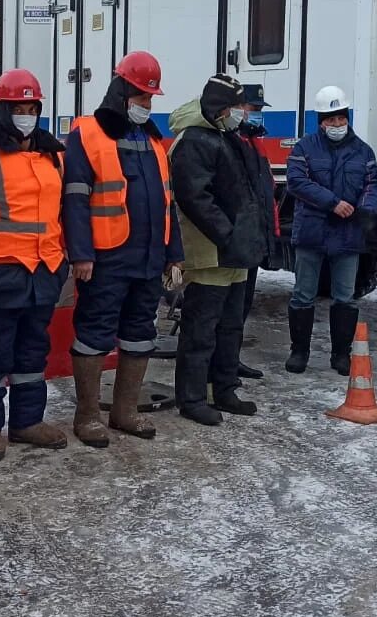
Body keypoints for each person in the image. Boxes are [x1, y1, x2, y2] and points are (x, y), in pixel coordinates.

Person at [63, 51, 183, 447]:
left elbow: (167, 202)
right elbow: (74, 200)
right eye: (141, 96)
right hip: (106, 258)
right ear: (121, 92)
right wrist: (81, 254)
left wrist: (174, 253)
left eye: (150, 98)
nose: (146, 104)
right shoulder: (87, 134)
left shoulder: (153, 141)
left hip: (149, 257)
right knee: (94, 334)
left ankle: (125, 411)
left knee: (140, 333)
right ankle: (87, 416)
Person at [0, 69, 70, 459]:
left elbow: (60, 213)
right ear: (2, 110)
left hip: (43, 271)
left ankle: (27, 421)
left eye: (32, 108)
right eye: (18, 108)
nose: (26, 116)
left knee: (32, 352)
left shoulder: (53, 157)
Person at [167, 74, 268, 425]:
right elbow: (195, 199)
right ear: (219, 108)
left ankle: (223, 389)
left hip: (234, 252)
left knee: (230, 327)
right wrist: (228, 236)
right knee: (200, 330)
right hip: (210, 253)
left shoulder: (225, 136)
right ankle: (192, 398)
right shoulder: (194, 140)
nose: (242, 112)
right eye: (237, 106)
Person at [284, 85, 377, 375]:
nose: (337, 124)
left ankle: (341, 354)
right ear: (321, 122)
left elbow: (373, 184)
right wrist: (332, 203)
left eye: (341, 118)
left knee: (345, 297)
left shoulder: (363, 151)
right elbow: (296, 182)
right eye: (331, 119)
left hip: (348, 235)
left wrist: (365, 209)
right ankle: (299, 351)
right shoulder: (304, 148)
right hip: (312, 232)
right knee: (303, 294)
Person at [231, 83, 280, 380]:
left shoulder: (253, 143)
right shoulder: (232, 143)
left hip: (252, 238)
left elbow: (265, 192)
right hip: (238, 239)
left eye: (260, 109)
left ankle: (231, 359)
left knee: (243, 305)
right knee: (230, 308)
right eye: (253, 108)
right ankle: (223, 364)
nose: (257, 114)